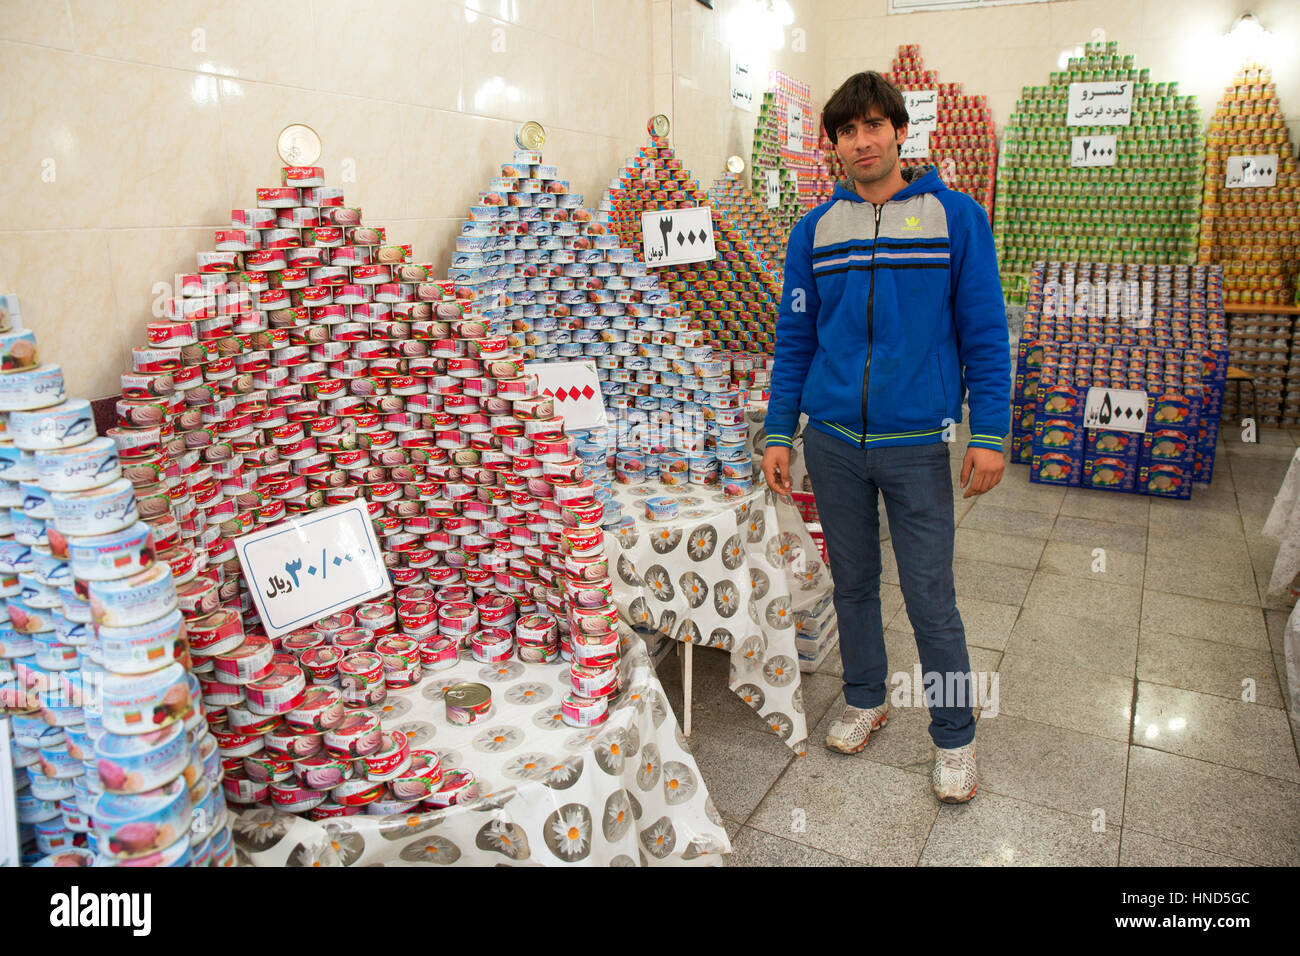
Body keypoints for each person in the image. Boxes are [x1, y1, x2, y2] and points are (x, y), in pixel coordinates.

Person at [760, 71, 1011, 804]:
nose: (862, 141)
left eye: (875, 126)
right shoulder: (814, 231)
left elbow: (986, 335)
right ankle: (866, 696)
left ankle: (956, 736)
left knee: (932, 594)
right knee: (856, 583)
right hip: (833, 439)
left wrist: (988, 432)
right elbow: (796, 337)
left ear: (901, 132)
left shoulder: (954, 219)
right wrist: (781, 428)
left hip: (918, 442)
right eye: (847, 130)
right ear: (833, 144)